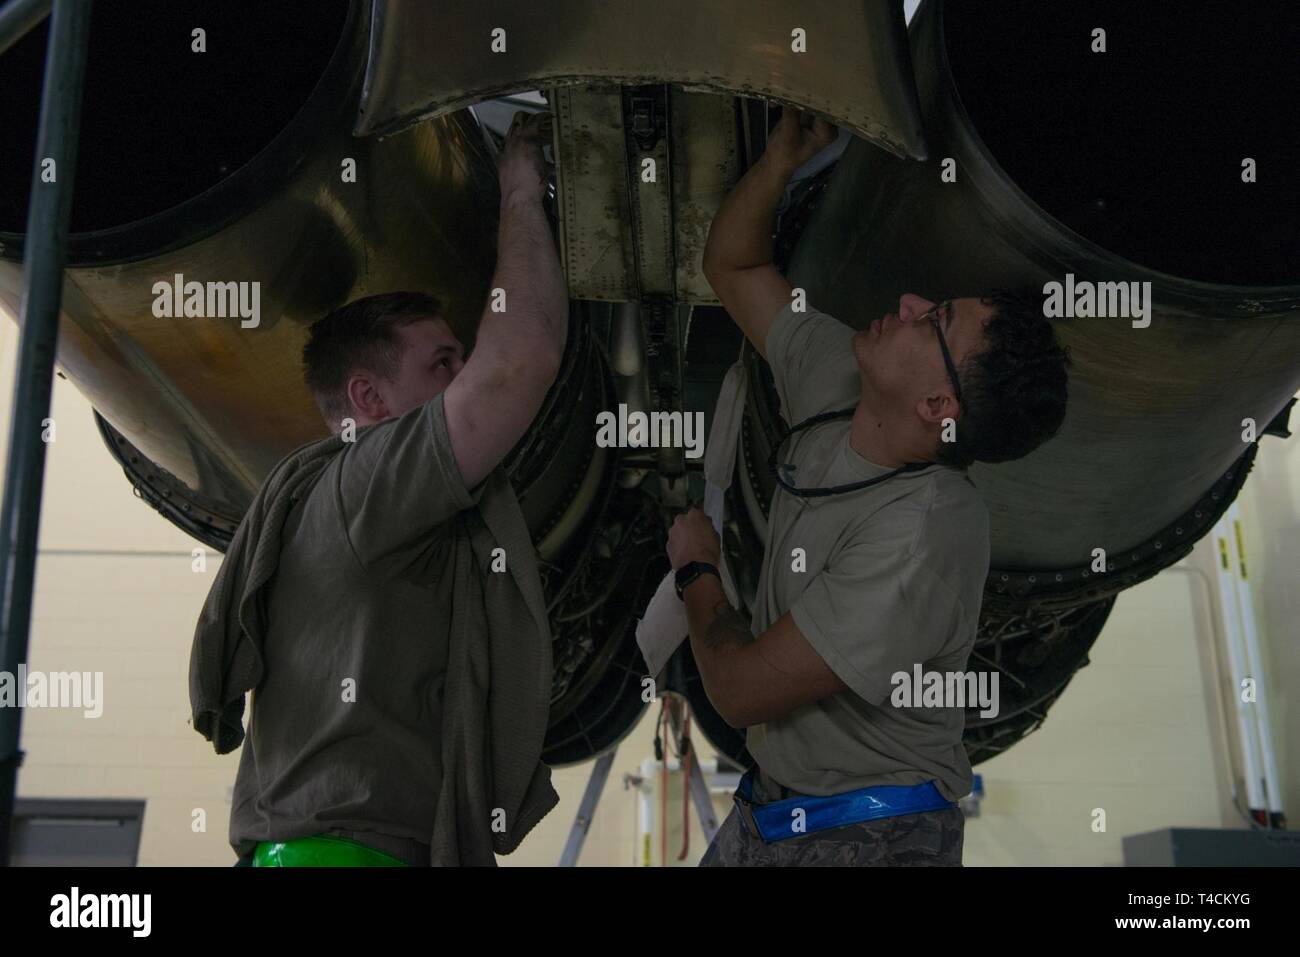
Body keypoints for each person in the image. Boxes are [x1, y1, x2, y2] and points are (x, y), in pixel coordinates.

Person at [669, 107, 1071, 866]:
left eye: (936, 321)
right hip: (776, 812)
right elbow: (737, 268)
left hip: (873, 839)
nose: (912, 304)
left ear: (936, 408)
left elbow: (742, 690)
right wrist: (782, 158)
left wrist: (698, 571)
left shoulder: (923, 532)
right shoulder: (837, 376)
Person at [189, 111, 568, 866]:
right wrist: (521, 186)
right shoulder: (361, 482)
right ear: (369, 401)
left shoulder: (342, 503)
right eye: (442, 363)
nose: (461, 380)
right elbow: (517, 364)